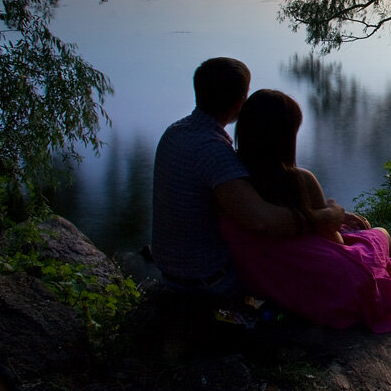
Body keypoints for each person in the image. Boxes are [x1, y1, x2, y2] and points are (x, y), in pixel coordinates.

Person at [151, 57, 356, 299]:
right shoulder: (214, 152)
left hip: (171, 271)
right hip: (209, 280)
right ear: (240, 102)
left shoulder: (176, 132)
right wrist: (328, 215)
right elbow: (263, 220)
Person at [220, 89, 391, 333]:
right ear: (286, 136)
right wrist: (331, 219)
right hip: (317, 286)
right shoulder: (299, 180)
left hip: (266, 280)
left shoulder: (231, 181)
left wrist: (330, 218)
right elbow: (333, 242)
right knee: (381, 233)